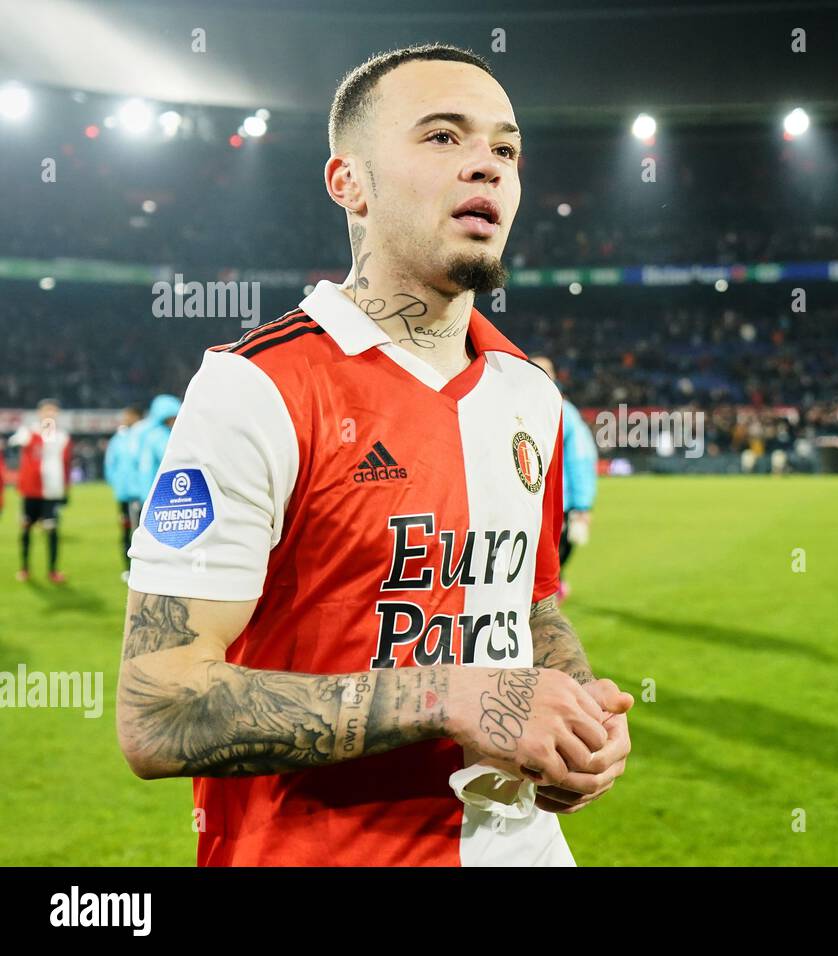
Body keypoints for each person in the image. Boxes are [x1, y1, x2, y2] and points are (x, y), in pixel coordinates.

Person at [118, 43, 633, 867]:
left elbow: (528, 605)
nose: (487, 167)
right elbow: (157, 708)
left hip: (526, 846)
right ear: (347, 183)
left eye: (505, 149)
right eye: (442, 138)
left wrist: (577, 714)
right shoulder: (255, 388)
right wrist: (454, 697)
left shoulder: (528, 394)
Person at [530, 356, 598, 600]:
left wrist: (581, 505)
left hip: (557, 506)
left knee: (544, 570)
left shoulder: (563, 412)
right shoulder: (521, 407)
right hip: (531, 504)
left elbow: (580, 459)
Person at [10, 398, 72, 583]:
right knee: (26, 529)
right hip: (31, 491)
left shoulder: (63, 437)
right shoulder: (29, 432)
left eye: (53, 411)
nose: (50, 414)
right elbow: (15, 442)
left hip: (52, 492)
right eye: (46, 411)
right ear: (39, 413)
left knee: (52, 530)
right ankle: (24, 568)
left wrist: (66, 490)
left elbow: (66, 465)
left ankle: (53, 570)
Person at [104, 405, 144, 580]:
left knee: (143, 531)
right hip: (124, 493)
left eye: (128, 416)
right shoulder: (119, 438)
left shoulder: (145, 437)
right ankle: (128, 568)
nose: (124, 419)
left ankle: (143, 568)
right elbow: (110, 462)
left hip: (142, 492)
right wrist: (117, 482)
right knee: (126, 530)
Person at [132, 394, 181, 507]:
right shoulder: (161, 436)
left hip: (150, 489)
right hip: (161, 490)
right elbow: (171, 460)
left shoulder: (148, 433)